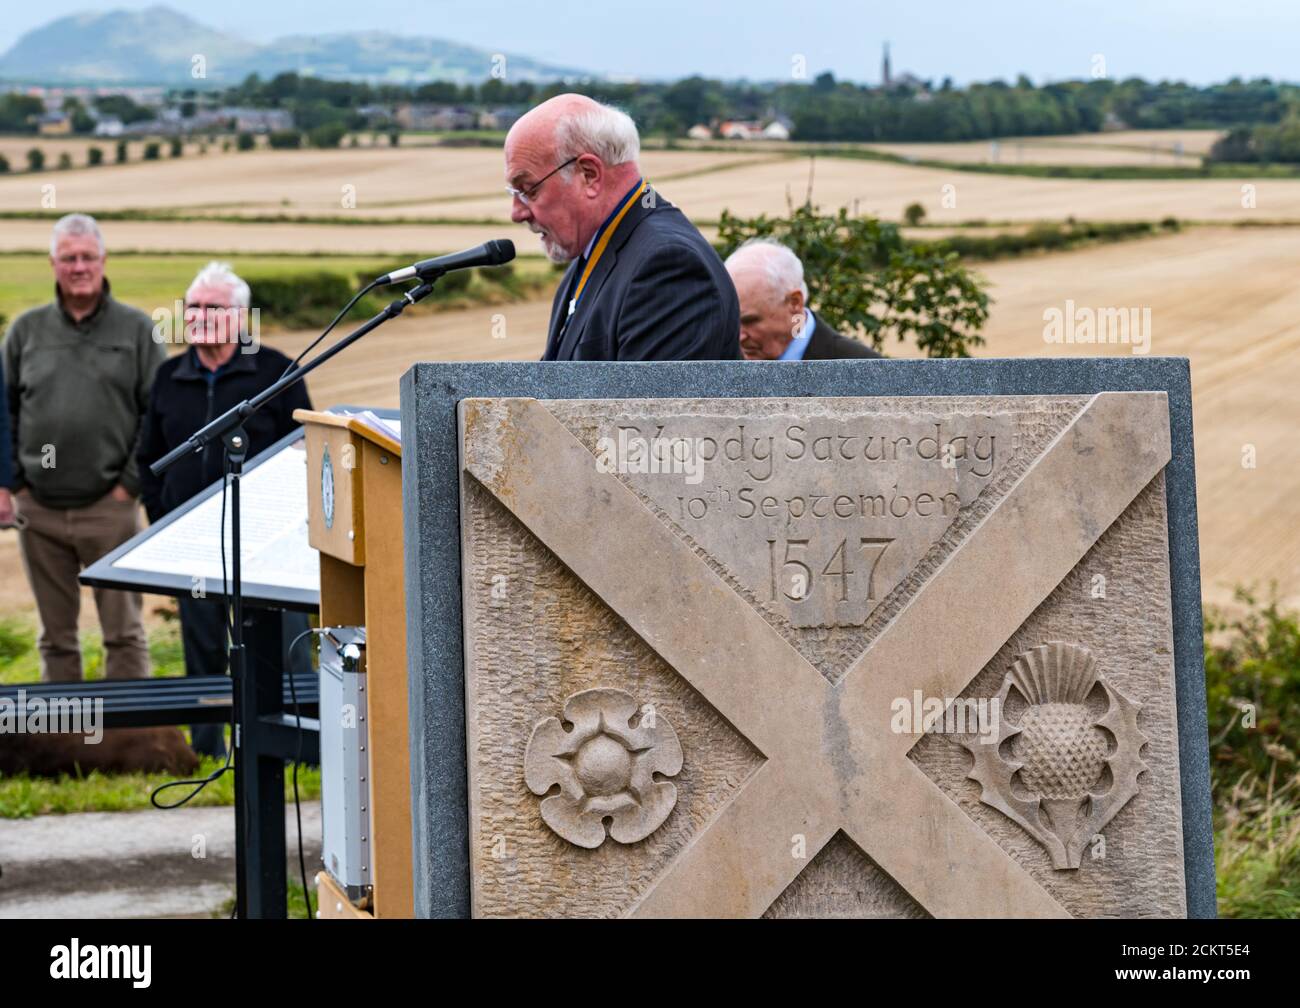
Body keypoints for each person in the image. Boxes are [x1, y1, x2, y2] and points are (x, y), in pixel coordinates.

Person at [136, 261, 312, 758]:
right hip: (193, 545)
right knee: (203, 651)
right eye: (191, 307)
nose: (197, 316)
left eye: (210, 307)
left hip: (267, 546)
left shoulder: (276, 370)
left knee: (282, 648)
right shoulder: (171, 376)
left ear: (239, 316)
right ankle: (208, 753)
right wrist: (164, 519)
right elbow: (148, 458)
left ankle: (296, 748)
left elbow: (303, 451)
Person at [3, 213, 163, 682]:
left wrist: (128, 485)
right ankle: (64, 742)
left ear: (103, 260)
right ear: (53, 263)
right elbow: (4, 410)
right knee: (56, 637)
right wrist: (13, 484)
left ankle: (135, 744)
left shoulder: (136, 330)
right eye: (68, 258)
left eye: (87, 257)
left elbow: (157, 412)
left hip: (109, 508)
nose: (78, 266)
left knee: (124, 632)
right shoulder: (25, 331)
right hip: (40, 510)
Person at [504, 93, 741, 362]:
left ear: (589, 175)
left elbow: (652, 405)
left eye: (528, 190)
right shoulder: (595, 252)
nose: (517, 213)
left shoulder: (667, 266)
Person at [725, 238, 883, 361]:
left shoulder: (865, 369)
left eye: (750, 321)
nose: (739, 336)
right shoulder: (717, 359)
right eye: (732, 322)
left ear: (794, 302)